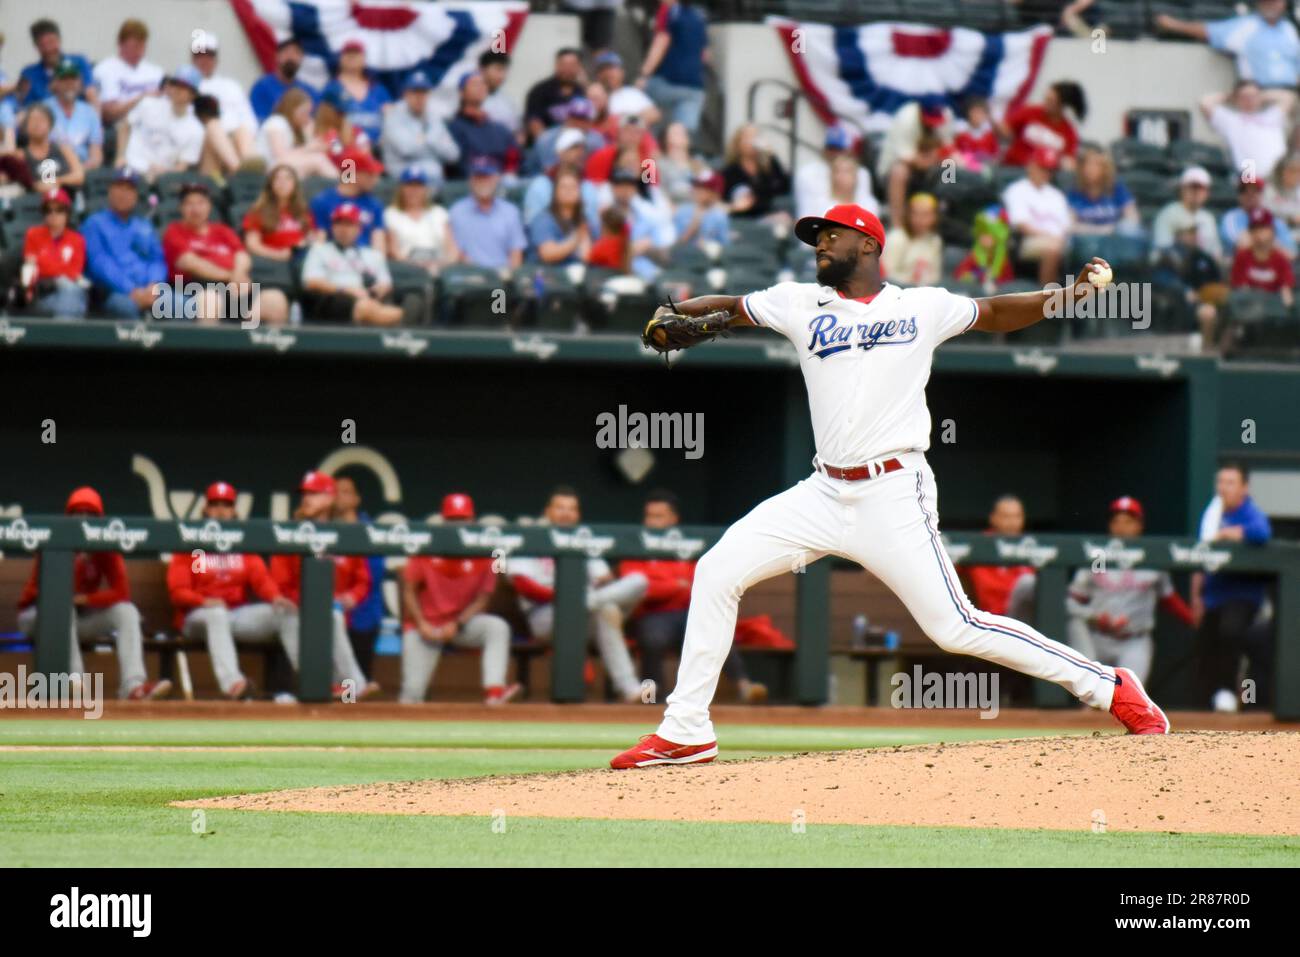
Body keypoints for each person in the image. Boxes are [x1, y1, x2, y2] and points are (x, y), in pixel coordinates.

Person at [612, 204, 1164, 769]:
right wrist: (676, 314)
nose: (820, 245)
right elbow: (727, 308)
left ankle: (1108, 685)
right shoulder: (798, 300)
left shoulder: (919, 305)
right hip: (822, 492)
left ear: (870, 245)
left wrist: (1065, 296)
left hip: (894, 492)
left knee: (956, 627)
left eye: (832, 236)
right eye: (816, 238)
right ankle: (686, 729)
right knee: (717, 570)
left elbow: (995, 311)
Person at [16, 487, 170, 701]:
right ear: (68, 517)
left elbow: (121, 592)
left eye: (90, 514)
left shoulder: (103, 543)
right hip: (37, 616)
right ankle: (75, 682)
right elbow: (34, 594)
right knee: (63, 607)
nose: (83, 519)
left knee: (126, 612)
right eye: (78, 513)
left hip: (76, 618)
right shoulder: (55, 539)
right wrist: (66, 595)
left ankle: (133, 686)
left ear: (100, 519)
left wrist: (87, 599)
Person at [618, 490, 767, 704]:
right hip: (652, 613)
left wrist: (666, 585)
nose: (652, 521)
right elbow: (641, 587)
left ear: (673, 519)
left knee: (714, 628)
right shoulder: (637, 544)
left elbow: (700, 583)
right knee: (653, 637)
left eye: (659, 516)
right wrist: (676, 586)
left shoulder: (687, 544)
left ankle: (744, 686)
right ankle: (651, 698)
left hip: (688, 613)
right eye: (649, 516)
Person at [507, 487, 648, 703]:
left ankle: (629, 689)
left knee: (634, 585)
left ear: (578, 515)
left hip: (586, 609)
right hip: (546, 615)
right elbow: (523, 585)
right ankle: (583, 602)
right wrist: (566, 598)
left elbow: (604, 579)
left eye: (571, 509)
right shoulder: (531, 538)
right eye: (560, 507)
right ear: (548, 511)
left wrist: (591, 593)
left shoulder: (584, 540)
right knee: (605, 608)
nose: (566, 513)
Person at [166, 481, 295, 699]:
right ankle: (233, 684)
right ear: (206, 509)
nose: (220, 510)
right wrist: (203, 602)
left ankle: (316, 681)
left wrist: (276, 597)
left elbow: (261, 579)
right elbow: (177, 592)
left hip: (234, 616)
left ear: (234, 510)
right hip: (196, 617)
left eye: (226, 505)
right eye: (215, 504)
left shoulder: (242, 543)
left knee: (286, 613)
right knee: (216, 615)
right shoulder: (191, 543)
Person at [400, 492, 522, 706]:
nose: (457, 526)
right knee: (411, 695)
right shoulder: (426, 547)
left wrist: (457, 624)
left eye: (462, 520)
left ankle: (495, 691)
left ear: (472, 521)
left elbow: (483, 598)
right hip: (426, 626)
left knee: (496, 627)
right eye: (452, 520)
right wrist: (421, 624)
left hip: (462, 624)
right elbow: (408, 590)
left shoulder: (487, 551)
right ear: (444, 521)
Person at [268, 471, 377, 698]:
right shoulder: (290, 534)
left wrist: (352, 597)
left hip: (335, 613)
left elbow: (363, 580)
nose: (306, 498)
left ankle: (344, 687)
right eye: (304, 494)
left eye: (314, 494)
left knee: (333, 615)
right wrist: (309, 603)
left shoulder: (345, 534)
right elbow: (280, 583)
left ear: (329, 498)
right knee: (288, 613)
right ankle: (348, 684)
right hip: (298, 611)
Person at [1065, 497, 1195, 686]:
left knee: (1128, 698)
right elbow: (1071, 600)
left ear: (1139, 526)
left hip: (1134, 640)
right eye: (1116, 521)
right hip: (1098, 638)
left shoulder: (1152, 558)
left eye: (1128, 521)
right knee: (1091, 696)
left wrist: (1192, 620)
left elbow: (1168, 599)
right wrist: (1094, 616)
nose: (1121, 527)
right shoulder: (1098, 557)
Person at [1191, 463, 1273, 711]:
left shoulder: (1249, 512)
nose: (1224, 488)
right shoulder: (1212, 513)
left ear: (1244, 488)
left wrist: (1232, 533)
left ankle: (1229, 691)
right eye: (1221, 482)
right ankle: (1205, 705)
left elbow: (1262, 533)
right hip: (1213, 596)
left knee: (1230, 632)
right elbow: (1198, 556)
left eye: (1230, 482)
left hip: (1242, 596)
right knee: (1204, 645)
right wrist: (1196, 596)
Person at [162, 182, 289, 324]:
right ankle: (207, 345)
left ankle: (252, 344)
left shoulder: (222, 230)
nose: (196, 209)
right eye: (189, 204)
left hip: (235, 289)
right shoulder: (174, 231)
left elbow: (242, 256)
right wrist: (232, 277)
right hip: (195, 288)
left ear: (209, 206)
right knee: (210, 300)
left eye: (201, 203)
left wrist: (239, 275)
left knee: (275, 300)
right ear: (181, 208)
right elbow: (190, 263)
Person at [300, 202, 404, 325]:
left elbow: (385, 283)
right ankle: (391, 319)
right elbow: (311, 282)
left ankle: (383, 316)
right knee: (390, 313)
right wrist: (347, 290)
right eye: (339, 223)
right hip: (333, 299)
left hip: (369, 299)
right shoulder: (319, 250)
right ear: (332, 227)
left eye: (349, 224)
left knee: (386, 306)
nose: (343, 229)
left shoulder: (372, 255)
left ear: (359, 228)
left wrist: (378, 289)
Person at [81, 168, 166, 318]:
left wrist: (154, 285)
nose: (123, 194)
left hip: (149, 290)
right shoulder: (94, 224)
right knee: (126, 308)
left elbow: (157, 259)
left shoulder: (144, 225)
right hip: (114, 293)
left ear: (135, 196)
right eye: (119, 188)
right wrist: (132, 290)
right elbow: (100, 264)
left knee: (180, 304)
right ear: (110, 192)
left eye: (129, 189)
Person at [1156, 0, 1300, 88]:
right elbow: (1209, 31)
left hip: (1291, 92)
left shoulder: (1290, 30)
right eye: (1266, 1)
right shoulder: (1247, 26)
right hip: (1258, 93)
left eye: (1275, 1)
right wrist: (1174, 25)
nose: (1270, 4)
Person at [332, 475, 386, 682]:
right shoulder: (324, 528)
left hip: (363, 613)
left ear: (356, 499)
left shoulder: (369, 529)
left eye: (346, 492)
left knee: (356, 679)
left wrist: (351, 597)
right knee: (338, 677)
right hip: (333, 610)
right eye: (335, 492)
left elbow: (375, 573)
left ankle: (354, 706)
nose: (339, 497)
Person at [961, 495, 1036, 623]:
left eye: (1017, 516)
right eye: (1006, 516)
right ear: (993, 518)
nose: (1012, 522)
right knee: (1027, 582)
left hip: (1026, 617)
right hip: (993, 618)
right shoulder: (980, 544)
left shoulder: (1028, 544)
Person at [638, 0, 710, 134]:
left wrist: (644, 75)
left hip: (667, 82)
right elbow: (705, 55)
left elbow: (661, 42)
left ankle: (649, 145)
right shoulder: (699, 16)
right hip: (695, 87)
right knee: (682, 134)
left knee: (640, 107)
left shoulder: (669, 11)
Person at [1200, 81, 1292, 183]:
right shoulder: (1231, 120)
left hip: (1279, 175)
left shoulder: (1272, 116)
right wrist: (1230, 96)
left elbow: (1288, 97)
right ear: (1236, 99)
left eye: (1253, 96)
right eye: (1244, 97)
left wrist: (1263, 96)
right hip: (1249, 175)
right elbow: (1205, 102)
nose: (1249, 100)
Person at [118, 69, 204, 179]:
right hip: (129, 167)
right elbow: (125, 127)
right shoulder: (148, 104)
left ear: (193, 95)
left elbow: (181, 167)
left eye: (183, 86)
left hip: (160, 177)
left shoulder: (196, 129)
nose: (177, 89)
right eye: (174, 84)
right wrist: (120, 156)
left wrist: (164, 172)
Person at [1002, 147, 1069, 284]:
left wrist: (1059, 238)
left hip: (1059, 239)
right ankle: (1046, 298)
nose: (1046, 173)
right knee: (1053, 249)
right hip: (1027, 240)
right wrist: (1051, 237)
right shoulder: (1017, 189)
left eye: (1049, 170)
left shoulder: (1056, 195)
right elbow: (1021, 225)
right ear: (1031, 166)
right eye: (1042, 168)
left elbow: (1066, 225)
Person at [380, 71, 460, 187]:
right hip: (401, 178)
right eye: (415, 92)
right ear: (405, 94)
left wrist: (423, 139)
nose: (419, 97)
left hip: (434, 179)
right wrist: (435, 142)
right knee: (431, 170)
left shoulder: (433, 117)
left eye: (423, 92)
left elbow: (453, 154)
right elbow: (407, 149)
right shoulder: (393, 116)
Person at [447, 156, 527, 269]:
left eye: (487, 177)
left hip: (503, 277)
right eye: (478, 177)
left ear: (497, 178)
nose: (483, 181)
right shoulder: (457, 211)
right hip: (469, 276)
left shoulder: (510, 212)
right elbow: (455, 252)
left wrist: (509, 278)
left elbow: (516, 254)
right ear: (471, 180)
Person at [191, 31, 258, 164]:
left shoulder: (231, 86)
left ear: (216, 59)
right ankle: (239, 172)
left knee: (243, 131)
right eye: (200, 56)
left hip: (235, 142)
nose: (204, 60)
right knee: (213, 126)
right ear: (193, 59)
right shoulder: (187, 86)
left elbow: (248, 119)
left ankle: (251, 172)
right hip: (202, 146)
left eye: (209, 55)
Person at [22, 188, 86, 318]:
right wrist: (61, 272)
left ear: (67, 213)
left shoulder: (77, 240)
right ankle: (66, 336)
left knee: (69, 291)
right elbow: (32, 272)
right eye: (48, 210)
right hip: (44, 294)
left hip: (70, 291)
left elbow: (75, 271)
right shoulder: (33, 234)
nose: (53, 214)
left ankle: (61, 335)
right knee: (72, 300)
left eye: (59, 210)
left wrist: (43, 262)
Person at [794, 126, 879, 221]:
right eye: (831, 148)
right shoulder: (807, 174)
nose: (834, 153)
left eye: (839, 149)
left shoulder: (863, 174)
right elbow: (805, 217)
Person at [308, 147, 386, 250]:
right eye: (369, 174)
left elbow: (378, 247)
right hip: (332, 259)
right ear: (353, 174)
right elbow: (319, 242)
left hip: (365, 260)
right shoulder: (322, 201)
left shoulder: (374, 204)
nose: (375, 180)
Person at [606, 165, 675, 280]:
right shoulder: (607, 213)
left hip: (650, 272)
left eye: (629, 185)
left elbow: (664, 246)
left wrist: (647, 247)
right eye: (620, 185)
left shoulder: (646, 212)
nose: (625, 189)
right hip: (615, 273)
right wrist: (630, 249)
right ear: (613, 188)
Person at [93, 19, 164, 131]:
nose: (140, 51)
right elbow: (108, 113)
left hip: (156, 127)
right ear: (121, 44)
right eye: (135, 46)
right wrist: (141, 98)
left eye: (142, 46)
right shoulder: (106, 69)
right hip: (121, 127)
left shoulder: (156, 72)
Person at [1000, 80, 1086, 169]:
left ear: (1062, 105)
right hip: (1012, 166)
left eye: (1051, 101)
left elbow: (1069, 161)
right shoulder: (1031, 112)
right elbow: (1006, 129)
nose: (1045, 103)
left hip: (1041, 176)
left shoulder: (1069, 133)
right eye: (1046, 98)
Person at [255, 88, 338, 179]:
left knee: (320, 159)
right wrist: (308, 148)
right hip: (268, 169)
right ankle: (343, 187)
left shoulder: (296, 128)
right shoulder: (277, 122)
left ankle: (343, 185)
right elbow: (280, 156)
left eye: (309, 113)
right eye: (304, 112)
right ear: (291, 109)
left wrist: (308, 133)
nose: (307, 117)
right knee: (319, 160)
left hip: (283, 168)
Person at [447, 72, 518, 176]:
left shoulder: (500, 129)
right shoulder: (454, 128)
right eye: (475, 84)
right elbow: (458, 164)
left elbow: (514, 157)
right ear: (461, 92)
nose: (480, 87)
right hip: (473, 181)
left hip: (501, 181)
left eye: (483, 84)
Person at [321, 40, 390, 145]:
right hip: (345, 151)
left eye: (356, 54)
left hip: (378, 150)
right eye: (348, 54)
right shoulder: (331, 89)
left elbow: (391, 119)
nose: (352, 57)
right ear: (341, 58)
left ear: (364, 58)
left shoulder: (378, 89)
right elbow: (322, 124)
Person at [17, 19, 96, 109]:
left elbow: (91, 94)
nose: (48, 49)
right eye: (43, 45)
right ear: (36, 47)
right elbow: (26, 107)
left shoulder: (79, 62)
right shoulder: (29, 74)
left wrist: (95, 120)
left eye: (51, 42)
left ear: (59, 40)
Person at [384, 167, 451, 272]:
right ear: (401, 189)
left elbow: (452, 249)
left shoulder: (439, 212)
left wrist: (441, 265)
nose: (414, 190)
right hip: (409, 269)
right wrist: (420, 267)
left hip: (441, 266)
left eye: (418, 186)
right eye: (409, 185)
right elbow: (394, 251)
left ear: (426, 189)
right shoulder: (391, 214)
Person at [242, 164, 313, 261]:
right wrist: (278, 255)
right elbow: (252, 245)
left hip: (301, 257)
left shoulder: (303, 210)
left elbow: (310, 235)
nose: (282, 183)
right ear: (270, 185)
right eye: (277, 179)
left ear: (295, 185)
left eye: (288, 178)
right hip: (274, 263)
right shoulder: (258, 212)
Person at [722, 124, 791, 220]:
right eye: (747, 137)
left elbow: (784, 187)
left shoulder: (768, 168)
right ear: (737, 143)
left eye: (755, 137)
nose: (752, 141)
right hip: (740, 219)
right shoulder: (730, 171)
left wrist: (772, 156)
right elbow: (724, 200)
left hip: (765, 216)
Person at [1152, 166, 1223, 258]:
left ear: (1207, 193)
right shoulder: (1168, 214)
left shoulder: (1208, 218)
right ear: (1182, 189)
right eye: (1192, 187)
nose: (1196, 192)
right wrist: (1179, 241)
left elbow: (1216, 253)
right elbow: (1160, 251)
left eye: (1200, 188)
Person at [1230, 208, 1294, 309]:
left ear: (1272, 230)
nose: (1259, 233)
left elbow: (1286, 292)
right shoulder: (1242, 257)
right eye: (1255, 228)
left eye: (1263, 227)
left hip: (1275, 312)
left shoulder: (1280, 259)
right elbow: (1241, 289)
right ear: (1250, 232)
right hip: (1249, 310)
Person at [1067, 146, 1139, 236]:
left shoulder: (1117, 188)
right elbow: (1069, 225)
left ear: (1105, 168)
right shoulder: (1075, 192)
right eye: (1087, 164)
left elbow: (1133, 218)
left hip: (1113, 240)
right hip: (1086, 240)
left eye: (1096, 165)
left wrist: (1116, 229)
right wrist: (1102, 230)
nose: (1090, 169)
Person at [44, 60, 103, 169]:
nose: (69, 83)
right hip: (52, 167)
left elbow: (96, 154)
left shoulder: (90, 112)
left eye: (73, 79)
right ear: (55, 83)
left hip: (83, 168)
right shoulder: (43, 109)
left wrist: (84, 168)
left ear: (80, 82)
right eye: (64, 79)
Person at [527, 166, 591, 265]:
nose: (569, 191)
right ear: (555, 192)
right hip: (547, 274)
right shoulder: (544, 219)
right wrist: (577, 238)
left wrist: (583, 236)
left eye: (573, 187)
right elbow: (548, 254)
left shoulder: (583, 219)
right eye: (563, 187)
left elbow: (587, 257)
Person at [523, 48, 586, 143]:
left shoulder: (582, 92)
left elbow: (588, 123)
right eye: (563, 65)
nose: (567, 69)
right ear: (556, 65)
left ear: (579, 67)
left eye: (572, 65)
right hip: (545, 144)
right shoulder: (540, 90)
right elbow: (534, 123)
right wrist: (547, 145)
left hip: (574, 145)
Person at [1222, 175, 1297, 255]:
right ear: (1239, 195)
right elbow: (1240, 245)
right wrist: (1271, 243)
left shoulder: (1273, 218)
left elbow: (1291, 252)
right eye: (1244, 190)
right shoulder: (1231, 217)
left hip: (1274, 265)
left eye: (1255, 190)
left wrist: (1255, 241)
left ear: (1262, 194)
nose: (1250, 194)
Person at [16, 103, 83, 193]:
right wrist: (36, 186)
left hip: (66, 199)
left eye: (41, 120)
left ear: (50, 124)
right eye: (33, 120)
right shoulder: (20, 155)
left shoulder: (63, 149)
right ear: (25, 126)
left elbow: (79, 176)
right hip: (35, 202)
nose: (37, 124)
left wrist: (57, 181)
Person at [250, 37, 318, 124]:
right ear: (277, 56)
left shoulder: (309, 91)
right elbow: (257, 120)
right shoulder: (262, 87)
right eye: (286, 52)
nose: (291, 57)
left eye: (296, 53)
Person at [881, 192, 942, 286]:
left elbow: (935, 276)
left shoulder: (935, 240)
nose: (920, 219)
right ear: (908, 214)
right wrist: (911, 281)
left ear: (935, 216)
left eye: (926, 214)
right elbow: (886, 275)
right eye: (915, 213)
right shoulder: (896, 238)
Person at [594, 51, 659, 128]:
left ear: (622, 72)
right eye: (603, 69)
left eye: (612, 68)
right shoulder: (593, 94)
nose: (608, 73)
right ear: (597, 75)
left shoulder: (632, 93)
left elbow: (654, 115)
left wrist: (624, 119)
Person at [673, 169, 729, 249]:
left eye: (704, 188)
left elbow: (725, 247)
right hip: (684, 257)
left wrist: (709, 245)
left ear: (714, 193)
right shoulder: (682, 211)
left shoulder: (719, 215)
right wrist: (691, 229)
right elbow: (674, 246)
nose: (697, 191)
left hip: (709, 259)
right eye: (696, 186)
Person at [479, 50, 521, 136]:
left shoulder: (507, 101)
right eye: (498, 69)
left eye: (505, 71)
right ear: (482, 70)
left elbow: (517, 131)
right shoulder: (466, 98)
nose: (502, 76)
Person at [1263, 152, 1300, 226]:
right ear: (1280, 171)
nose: (1296, 175)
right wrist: (1290, 219)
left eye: (1298, 171)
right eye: (1292, 170)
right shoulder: (1268, 189)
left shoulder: (1297, 190)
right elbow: (1265, 213)